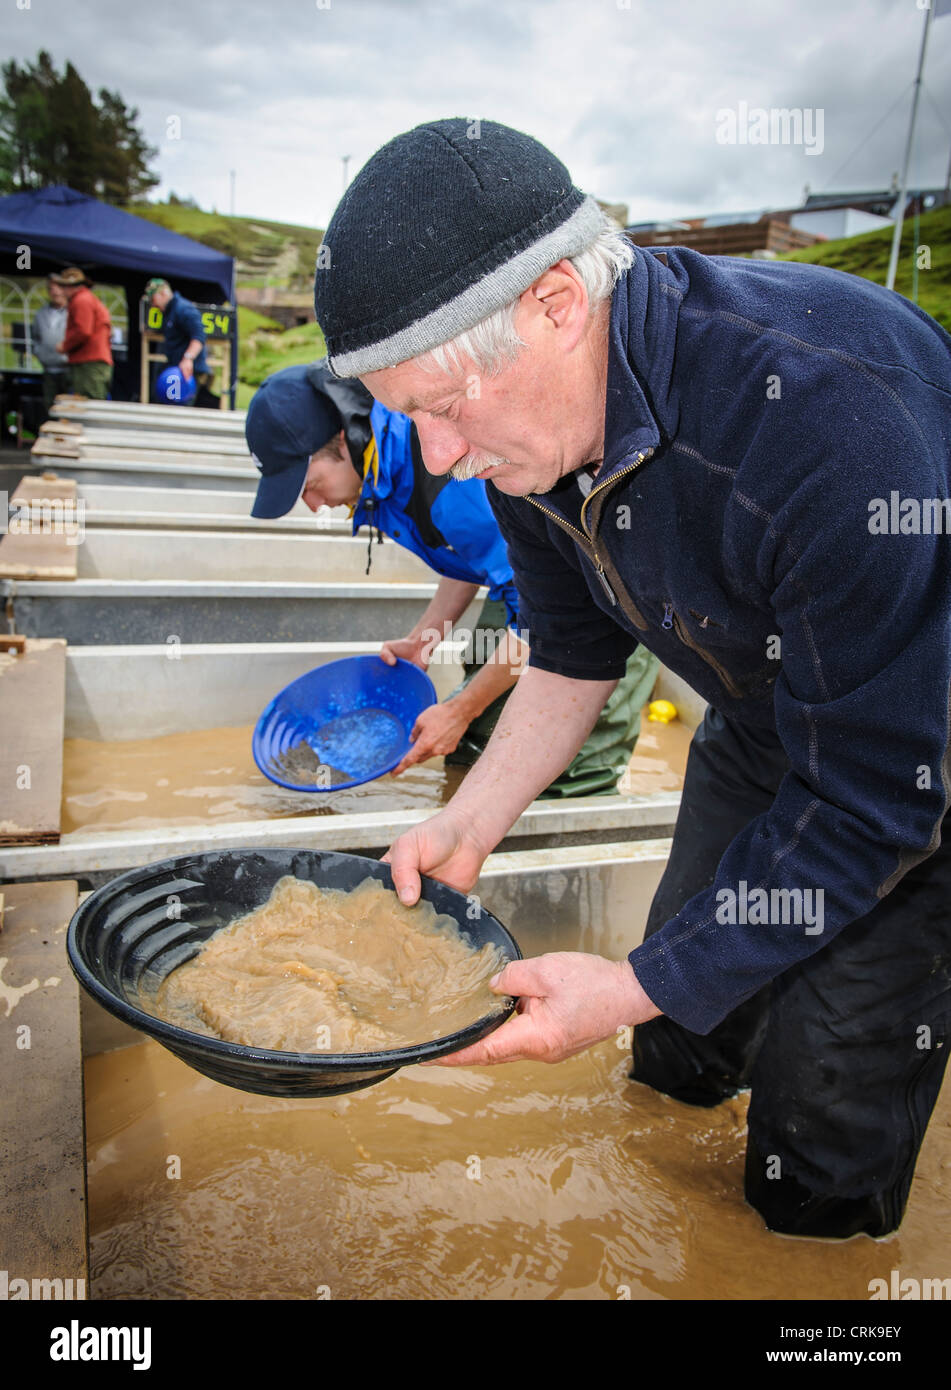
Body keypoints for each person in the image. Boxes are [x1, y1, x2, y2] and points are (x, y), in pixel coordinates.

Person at [311, 118, 951, 1241]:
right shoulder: (527, 433)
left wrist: (633, 977)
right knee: (675, 1049)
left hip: (910, 756)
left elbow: (872, 801)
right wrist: (471, 820)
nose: (442, 456)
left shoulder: (833, 420)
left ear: (557, 304)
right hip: (759, 713)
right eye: (407, 413)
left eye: (444, 408)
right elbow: (570, 650)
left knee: (814, 1145)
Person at [245, 360, 658, 792]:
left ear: (344, 442)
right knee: (473, 747)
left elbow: (542, 624)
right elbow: (470, 551)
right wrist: (425, 641)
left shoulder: (441, 467)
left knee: (564, 773)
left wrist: (461, 710)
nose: (312, 506)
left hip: (611, 588)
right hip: (531, 578)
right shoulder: (384, 469)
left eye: (309, 485)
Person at [144, 278, 215, 406]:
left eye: (153, 299)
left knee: (180, 407)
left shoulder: (183, 308)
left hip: (187, 371)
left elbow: (199, 336)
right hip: (175, 369)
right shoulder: (169, 311)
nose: (153, 304)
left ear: (163, 293)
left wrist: (188, 358)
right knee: (170, 405)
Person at [51, 267, 112, 399]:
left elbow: (83, 331)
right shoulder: (87, 298)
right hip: (92, 362)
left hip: (89, 364)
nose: (62, 291)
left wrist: (65, 346)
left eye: (64, 286)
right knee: (90, 402)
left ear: (71, 287)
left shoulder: (81, 301)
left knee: (90, 405)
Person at [31, 277, 69, 417]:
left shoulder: (72, 311)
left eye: (58, 288)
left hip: (68, 368)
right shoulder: (41, 313)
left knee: (68, 408)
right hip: (49, 368)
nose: (55, 292)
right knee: (50, 407)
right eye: (52, 289)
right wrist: (39, 353)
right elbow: (35, 336)